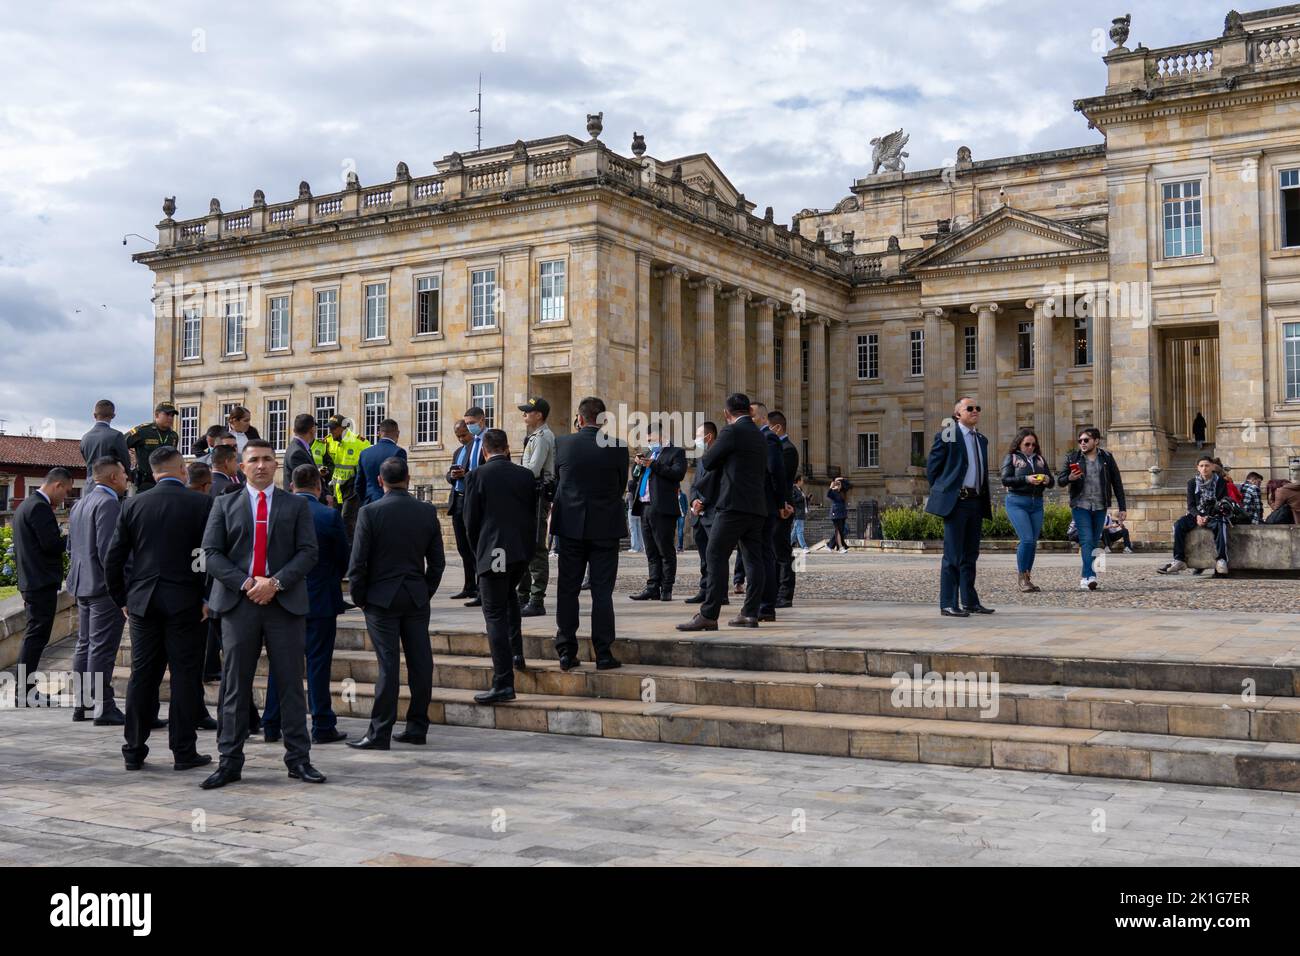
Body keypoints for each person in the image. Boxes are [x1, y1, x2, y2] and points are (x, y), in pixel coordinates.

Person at [199, 439, 324, 789]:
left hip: (284, 605)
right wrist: (247, 583)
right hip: (240, 606)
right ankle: (230, 761)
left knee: (290, 686)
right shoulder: (224, 505)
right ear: (241, 466)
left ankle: (299, 759)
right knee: (235, 686)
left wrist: (275, 583)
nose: (261, 465)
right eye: (253, 460)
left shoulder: (295, 505)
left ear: (276, 465)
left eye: (268, 459)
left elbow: (308, 552)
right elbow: (211, 553)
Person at [105, 447, 213, 772]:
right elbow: (211, 556)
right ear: (182, 470)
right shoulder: (203, 503)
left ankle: (133, 750)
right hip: (188, 602)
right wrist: (209, 597)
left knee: (143, 675)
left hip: (143, 602)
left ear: (153, 472)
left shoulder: (133, 504)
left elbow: (114, 558)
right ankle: (183, 750)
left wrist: (122, 599)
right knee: (185, 676)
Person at [346, 456, 445, 750]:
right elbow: (437, 562)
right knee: (421, 663)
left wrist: (359, 597)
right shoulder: (426, 511)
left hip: (380, 599)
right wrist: (425, 591)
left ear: (380, 481)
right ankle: (417, 726)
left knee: (388, 666)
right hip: (414, 596)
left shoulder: (370, 512)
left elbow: (358, 562)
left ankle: (380, 733)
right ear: (409, 479)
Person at [261, 464, 349, 745]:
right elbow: (343, 559)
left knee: (280, 664)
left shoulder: (276, 513)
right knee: (318, 664)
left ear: (291, 486)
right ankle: (322, 723)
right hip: (320, 598)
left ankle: (272, 722)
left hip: (283, 598)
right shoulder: (328, 515)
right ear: (318, 487)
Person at [551, 397, 630, 670]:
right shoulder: (618, 447)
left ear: (580, 418)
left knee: (567, 590)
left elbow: (557, 482)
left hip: (571, 526)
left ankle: (566, 650)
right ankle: (604, 652)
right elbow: (621, 485)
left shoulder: (562, 444)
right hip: (605, 527)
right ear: (603, 420)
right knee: (602, 592)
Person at [678, 393, 768, 631]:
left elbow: (708, 460)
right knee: (753, 560)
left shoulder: (731, 431)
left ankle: (709, 614)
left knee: (714, 554)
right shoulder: (760, 436)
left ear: (727, 413)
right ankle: (750, 613)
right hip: (756, 506)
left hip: (733, 505)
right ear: (749, 411)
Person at [464, 429, 537, 703]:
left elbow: (471, 522)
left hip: (493, 551)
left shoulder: (477, 476)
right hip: (520, 550)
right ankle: (516, 652)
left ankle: (503, 681)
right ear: (507, 448)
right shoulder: (525, 475)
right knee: (510, 601)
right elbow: (532, 516)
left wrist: (478, 554)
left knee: (494, 613)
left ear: (484, 451)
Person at [67, 458, 129, 723]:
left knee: (85, 644)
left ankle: (83, 703)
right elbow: (108, 552)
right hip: (102, 586)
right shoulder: (108, 503)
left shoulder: (81, 503)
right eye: (124, 473)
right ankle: (103, 706)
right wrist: (121, 588)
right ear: (113, 477)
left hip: (82, 582)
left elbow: (71, 545)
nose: (127, 477)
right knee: (101, 647)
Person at [925, 397, 993, 617]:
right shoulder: (949, 433)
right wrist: (944, 491)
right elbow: (933, 468)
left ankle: (970, 601)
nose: (975, 411)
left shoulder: (981, 439)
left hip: (975, 501)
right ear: (957, 414)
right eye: (969, 408)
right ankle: (948, 603)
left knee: (970, 555)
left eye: (977, 408)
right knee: (952, 555)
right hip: (957, 502)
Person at [12, 468, 72, 706]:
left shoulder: (26, 505)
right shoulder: (39, 507)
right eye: (66, 491)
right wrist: (72, 535)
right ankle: (24, 691)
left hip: (32, 580)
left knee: (34, 635)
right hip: (39, 582)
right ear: (57, 485)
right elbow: (51, 545)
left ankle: (25, 689)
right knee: (36, 636)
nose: (64, 498)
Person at [1057, 426, 1127, 591]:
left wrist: (1122, 507)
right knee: (1087, 540)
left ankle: (1085, 577)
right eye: (1080, 440)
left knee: (1094, 541)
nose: (1082, 443)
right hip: (1080, 505)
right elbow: (1060, 480)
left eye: (1086, 440)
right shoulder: (1072, 457)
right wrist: (1070, 477)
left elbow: (1117, 483)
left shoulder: (1107, 457)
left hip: (1100, 505)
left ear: (1096, 441)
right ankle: (1091, 576)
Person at [628, 424, 687, 602]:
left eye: (651, 439)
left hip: (662, 508)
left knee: (665, 550)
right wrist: (637, 465)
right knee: (651, 551)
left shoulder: (676, 452)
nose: (648, 442)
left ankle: (666, 588)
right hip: (645, 507)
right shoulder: (648, 454)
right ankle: (652, 586)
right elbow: (638, 478)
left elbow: (678, 474)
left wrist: (654, 465)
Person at [1000, 427, 1054, 593]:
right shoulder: (1012, 458)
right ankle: (1022, 577)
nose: (1030, 447)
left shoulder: (1040, 459)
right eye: (1027, 444)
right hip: (1017, 502)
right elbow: (1005, 479)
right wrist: (1026, 479)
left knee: (1032, 543)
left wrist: (1046, 479)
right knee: (1027, 540)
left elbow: (1052, 482)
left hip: (1036, 504)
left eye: (1033, 445)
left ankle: (1027, 577)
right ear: (1019, 444)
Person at [750, 403, 791, 622]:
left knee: (765, 556)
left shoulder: (768, 438)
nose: (749, 418)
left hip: (765, 506)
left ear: (763, 418)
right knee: (761, 556)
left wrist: (781, 502)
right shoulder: (758, 438)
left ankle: (766, 605)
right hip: (759, 505)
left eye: (752, 414)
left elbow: (777, 473)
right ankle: (763, 605)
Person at [1158, 455, 1231, 576]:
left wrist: (1208, 516)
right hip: (1196, 514)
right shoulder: (1192, 483)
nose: (1204, 468)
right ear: (1197, 468)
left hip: (1214, 513)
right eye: (1201, 466)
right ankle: (1179, 559)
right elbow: (1191, 505)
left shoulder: (1220, 482)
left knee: (1221, 523)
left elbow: (1221, 503)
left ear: (1212, 466)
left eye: (1207, 465)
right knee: (1179, 525)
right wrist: (1197, 516)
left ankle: (1221, 560)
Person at [516, 396, 556, 617]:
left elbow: (533, 469)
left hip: (537, 495)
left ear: (538, 415)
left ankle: (536, 598)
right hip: (530, 495)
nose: (524, 415)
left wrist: (513, 475)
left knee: (536, 548)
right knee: (525, 546)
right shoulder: (535, 436)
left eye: (528, 412)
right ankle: (523, 596)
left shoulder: (542, 437)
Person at [684, 421, 722, 605]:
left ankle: (719, 593)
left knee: (715, 557)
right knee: (703, 558)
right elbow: (694, 484)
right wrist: (693, 501)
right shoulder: (700, 458)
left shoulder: (719, 457)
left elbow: (717, 484)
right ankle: (704, 588)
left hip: (712, 513)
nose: (696, 440)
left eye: (698, 436)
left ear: (708, 437)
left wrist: (703, 502)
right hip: (698, 514)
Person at [456, 407, 488, 607]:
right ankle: (478, 590)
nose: (469, 427)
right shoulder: (472, 443)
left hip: (483, 501)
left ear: (481, 421)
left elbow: (486, 472)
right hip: (469, 500)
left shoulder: (488, 439)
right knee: (471, 547)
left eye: (471, 423)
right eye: (466, 423)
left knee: (481, 548)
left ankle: (484, 591)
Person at [445, 420, 480, 603]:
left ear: (470, 432)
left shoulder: (478, 448)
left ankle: (480, 587)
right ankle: (469, 586)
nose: (461, 439)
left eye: (463, 435)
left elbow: (479, 475)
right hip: (457, 499)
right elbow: (449, 473)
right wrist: (451, 476)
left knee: (473, 545)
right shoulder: (458, 452)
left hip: (470, 500)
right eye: (458, 436)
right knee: (462, 546)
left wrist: (464, 475)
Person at [768, 410, 800, 609]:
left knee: (782, 553)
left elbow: (779, 480)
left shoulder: (787, 449)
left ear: (777, 427)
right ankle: (775, 591)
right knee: (774, 552)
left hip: (782, 507)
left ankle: (785, 594)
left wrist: (780, 504)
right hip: (774, 506)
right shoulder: (777, 448)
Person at [323, 414, 369, 542]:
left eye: (333, 428)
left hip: (351, 486)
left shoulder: (359, 442)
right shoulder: (327, 441)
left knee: (347, 520)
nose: (330, 432)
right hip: (335, 487)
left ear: (343, 428)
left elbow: (368, 462)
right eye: (329, 429)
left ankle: (348, 551)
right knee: (336, 519)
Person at [124, 402, 179, 493]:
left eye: (172, 415)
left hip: (165, 483)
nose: (170, 418)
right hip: (145, 483)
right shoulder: (143, 431)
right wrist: (127, 470)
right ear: (157, 415)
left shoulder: (173, 436)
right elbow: (121, 445)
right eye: (167, 414)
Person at [79, 399, 131, 489]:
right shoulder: (116, 436)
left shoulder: (85, 438)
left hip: (90, 487)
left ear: (94, 415)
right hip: (110, 485)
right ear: (113, 416)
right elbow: (125, 462)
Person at [282, 414, 319, 491]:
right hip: (303, 500)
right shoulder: (297, 452)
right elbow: (306, 484)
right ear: (312, 430)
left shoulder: (299, 447)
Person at [827, 478, 849, 552]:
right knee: (838, 530)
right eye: (837, 484)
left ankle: (830, 544)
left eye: (840, 484)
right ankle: (840, 547)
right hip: (835, 514)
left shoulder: (843, 491)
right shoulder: (833, 491)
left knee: (841, 530)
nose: (838, 485)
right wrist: (831, 486)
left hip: (842, 513)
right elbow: (828, 494)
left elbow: (848, 484)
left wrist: (840, 478)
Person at [790, 476, 809, 551]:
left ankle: (787, 544)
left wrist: (807, 498)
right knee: (800, 530)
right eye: (802, 480)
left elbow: (801, 500)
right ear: (798, 481)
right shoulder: (794, 489)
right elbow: (793, 500)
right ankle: (804, 546)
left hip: (801, 512)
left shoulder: (800, 489)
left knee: (795, 531)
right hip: (797, 512)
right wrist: (802, 497)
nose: (803, 482)